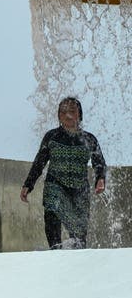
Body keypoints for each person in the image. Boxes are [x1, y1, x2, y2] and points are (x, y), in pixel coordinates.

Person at [20, 97, 106, 249]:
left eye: (72, 111)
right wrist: (28, 184)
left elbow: (99, 163)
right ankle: (55, 248)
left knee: (79, 235)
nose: (67, 115)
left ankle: (77, 256)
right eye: (63, 112)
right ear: (58, 116)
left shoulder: (89, 139)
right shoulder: (51, 136)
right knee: (52, 207)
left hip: (79, 190)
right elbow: (39, 162)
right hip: (55, 184)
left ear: (79, 115)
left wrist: (100, 179)